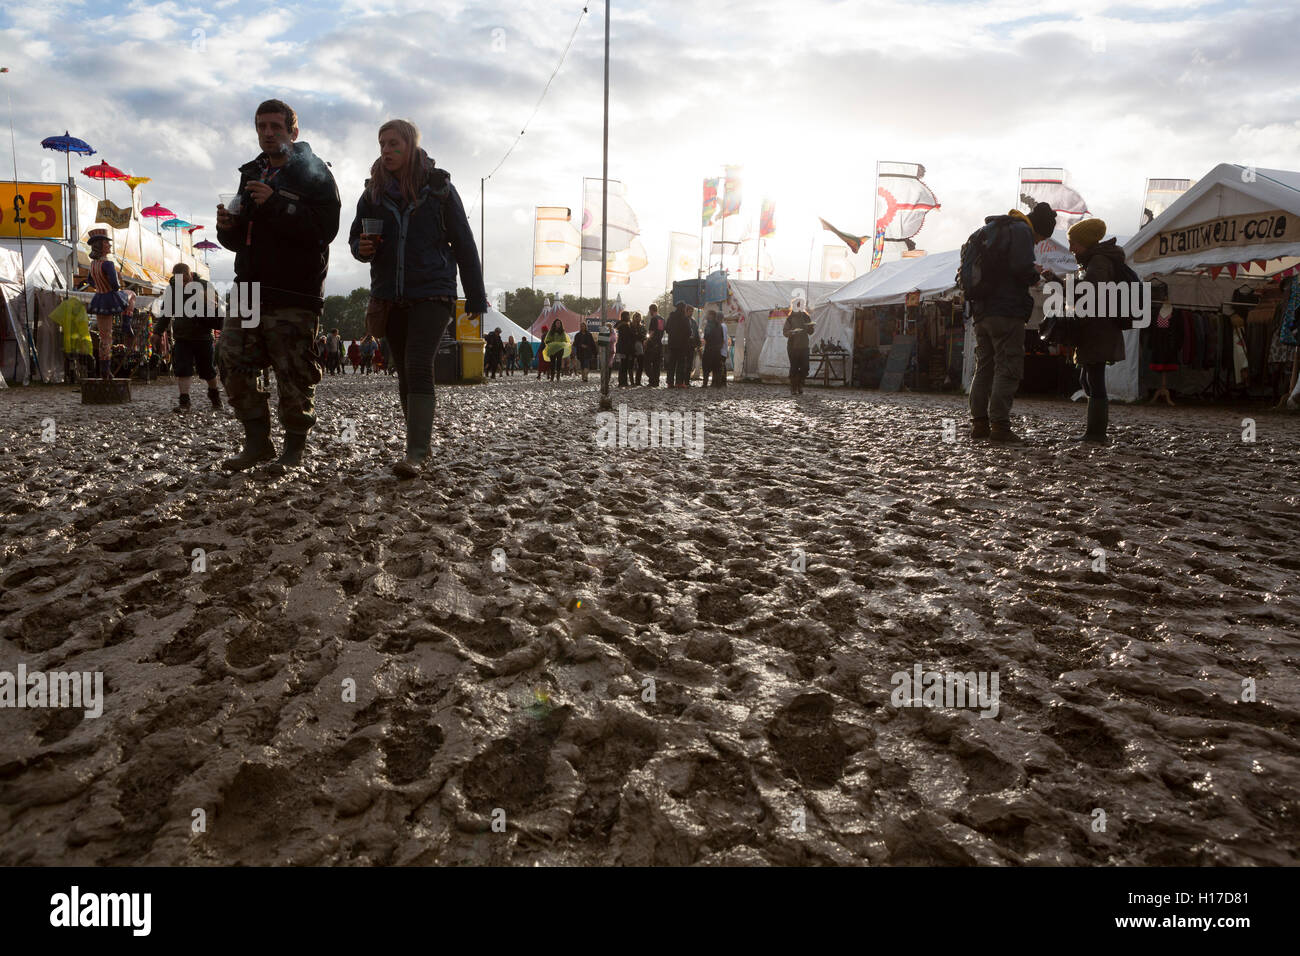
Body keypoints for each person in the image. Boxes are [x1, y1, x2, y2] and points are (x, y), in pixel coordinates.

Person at [349, 118, 487, 477]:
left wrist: (475, 297)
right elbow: (355, 241)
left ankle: (417, 453)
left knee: (416, 362)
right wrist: (361, 248)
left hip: (433, 291)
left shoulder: (439, 187)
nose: (386, 150)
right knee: (404, 373)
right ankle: (415, 444)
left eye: (394, 144)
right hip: (390, 296)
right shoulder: (372, 193)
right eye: (382, 144)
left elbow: (464, 241)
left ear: (410, 146)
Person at [216, 98, 341, 471]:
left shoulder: (314, 173)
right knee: (230, 358)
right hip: (249, 287)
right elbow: (240, 239)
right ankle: (257, 441)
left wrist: (278, 204)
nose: (268, 133)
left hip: (295, 290)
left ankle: (294, 448)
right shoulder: (251, 172)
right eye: (261, 127)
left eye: (276, 126)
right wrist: (228, 229)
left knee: (293, 370)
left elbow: (325, 231)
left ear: (293, 131)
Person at [967, 200, 1057, 443]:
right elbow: (1020, 268)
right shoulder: (1022, 231)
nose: (1037, 243)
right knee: (1008, 366)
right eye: (1039, 239)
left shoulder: (991, 229)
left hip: (981, 310)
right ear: (1038, 230)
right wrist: (1034, 273)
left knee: (984, 367)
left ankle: (979, 423)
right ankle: (1000, 425)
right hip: (1006, 310)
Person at [1064, 218, 1126, 443]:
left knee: (1095, 379)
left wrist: (1062, 284)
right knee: (1088, 379)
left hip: (1099, 329)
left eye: (1074, 243)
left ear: (1086, 242)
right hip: (1098, 328)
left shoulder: (1099, 261)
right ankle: (1095, 430)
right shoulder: (1097, 259)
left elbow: (1089, 293)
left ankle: (1096, 433)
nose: (1071, 249)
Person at [155, 263, 222, 413]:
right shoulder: (172, 290)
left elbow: (216, 305)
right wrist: (157, 332)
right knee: (183, 369)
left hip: (203, 336)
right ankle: (184, 401)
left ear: (190, 275)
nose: (183, 284)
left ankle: (215, 396)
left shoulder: (204, 285)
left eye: (185, 280)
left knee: (208, 371)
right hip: (182, 337)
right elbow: (166, 313)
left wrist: (203, 297)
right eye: (180, 281)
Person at [85, 229, 131, 380]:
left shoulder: (93, 265)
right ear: (101, 246)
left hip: (99, 298)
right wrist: (117, 277)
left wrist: (99, 285)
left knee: (104, 337)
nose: (109, 246)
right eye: (107, 243)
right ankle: (126, 322)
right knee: (132, 295)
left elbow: (90, 281)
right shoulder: (108, 264)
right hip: (109, 297)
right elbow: (115, 286)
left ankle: (104, 370)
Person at [783, 300, 814, 395]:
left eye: (801, 305)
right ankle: (793, 387)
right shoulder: (790, 318)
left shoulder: (806, 316)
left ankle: (800, 384)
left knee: (805, 368)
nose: (799, 307)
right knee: (794, 368)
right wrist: (792, 332)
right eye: (798, 305)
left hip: (804, 346)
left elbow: (810, 332)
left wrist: (810, 327)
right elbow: (785, 332)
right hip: (793, 346)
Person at [665, 301, 693, 388]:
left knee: (671, 364)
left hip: (672, 344)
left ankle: (670, 382)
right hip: (682, 345)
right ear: (683, 308)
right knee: (681, 363)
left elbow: (667, 329)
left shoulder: (671, 317)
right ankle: (679, 382)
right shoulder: (684, 319)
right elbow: (689, 332)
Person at [702, 309, 727, 388]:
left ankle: (706, 383)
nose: (708, 316)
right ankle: (717, 384)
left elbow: (706, 336)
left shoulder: (709, 325)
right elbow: (722, 337)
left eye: (709, 315)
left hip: (709, 348)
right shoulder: (719, 325)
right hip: (717, 349)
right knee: (716, 367)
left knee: (706, 367)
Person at [644, 303, 664, 386]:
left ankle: (652, 380)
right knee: (657, 364)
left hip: (652, 344)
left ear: (651, 310)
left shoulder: (653, 319)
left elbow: (651, 332)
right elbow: (661, 331)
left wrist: (646, 341)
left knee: (647, 363)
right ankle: (656, 381)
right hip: (659, 343)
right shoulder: (662, 319)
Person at [544, 318, 567, 382]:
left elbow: (564, 340)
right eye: (557, 323)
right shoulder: (551, 332)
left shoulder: (562, 332)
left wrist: (560, 344)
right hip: (552, 349)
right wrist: (551, 343)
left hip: (560, 349)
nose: (558, 324)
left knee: (559, 362)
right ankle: (552, 376)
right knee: (552, 362)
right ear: (554, 324)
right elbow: (547, 340)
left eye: (559, 323)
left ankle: (558, 376)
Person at [615, 310, 634, 387]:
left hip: (623, 348)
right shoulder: (624, 325)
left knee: (623, 365)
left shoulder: (624, 325)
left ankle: (623, 381)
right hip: (624, 348)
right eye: (628, 315)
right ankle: (623, 381)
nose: (629, 317)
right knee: (624, 365)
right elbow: (628, 338)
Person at [630, 311, 646, 385]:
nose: (637, 318)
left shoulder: (642, 327)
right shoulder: (631, 326)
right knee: (631, 365)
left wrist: (639, 335)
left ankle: (638, 381)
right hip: (632, 347)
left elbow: (644, 336)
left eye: (638, 316)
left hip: (640, 346)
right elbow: (632, 336)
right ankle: (632, 381)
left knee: (640, 365)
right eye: (636, 316)